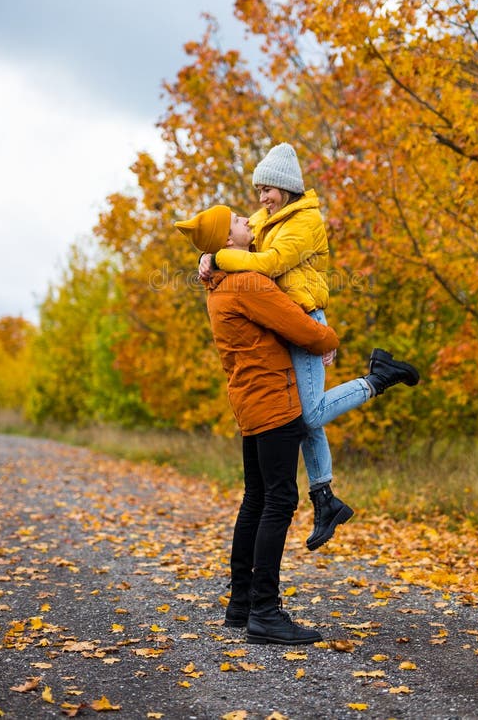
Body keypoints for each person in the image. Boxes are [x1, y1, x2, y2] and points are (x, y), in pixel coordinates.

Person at [176, 204, 419, 644]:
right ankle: (265, 612)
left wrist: (208, 257)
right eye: (236, 222)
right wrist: (330, 339)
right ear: (226, 241)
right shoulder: (246, 282)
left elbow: (252, 237)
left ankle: (242, 604)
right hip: (273, 401)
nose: (247, 222)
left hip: (250, 404)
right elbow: (300, 327)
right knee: (279, 501)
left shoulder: (218, 282)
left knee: (256, 500)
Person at [199, 143, 420, 551]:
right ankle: (324, 497)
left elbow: (268, 264)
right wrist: (210, 255)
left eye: (269, 188)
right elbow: (242, 243)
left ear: (287, 187)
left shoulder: (306, 222)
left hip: (306, 319)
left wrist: (220, 256)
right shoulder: (268, 217)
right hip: (287, 322)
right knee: (303, 414)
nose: (261, 198)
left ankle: (379, 377)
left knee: (308, 412)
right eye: (259, 189)